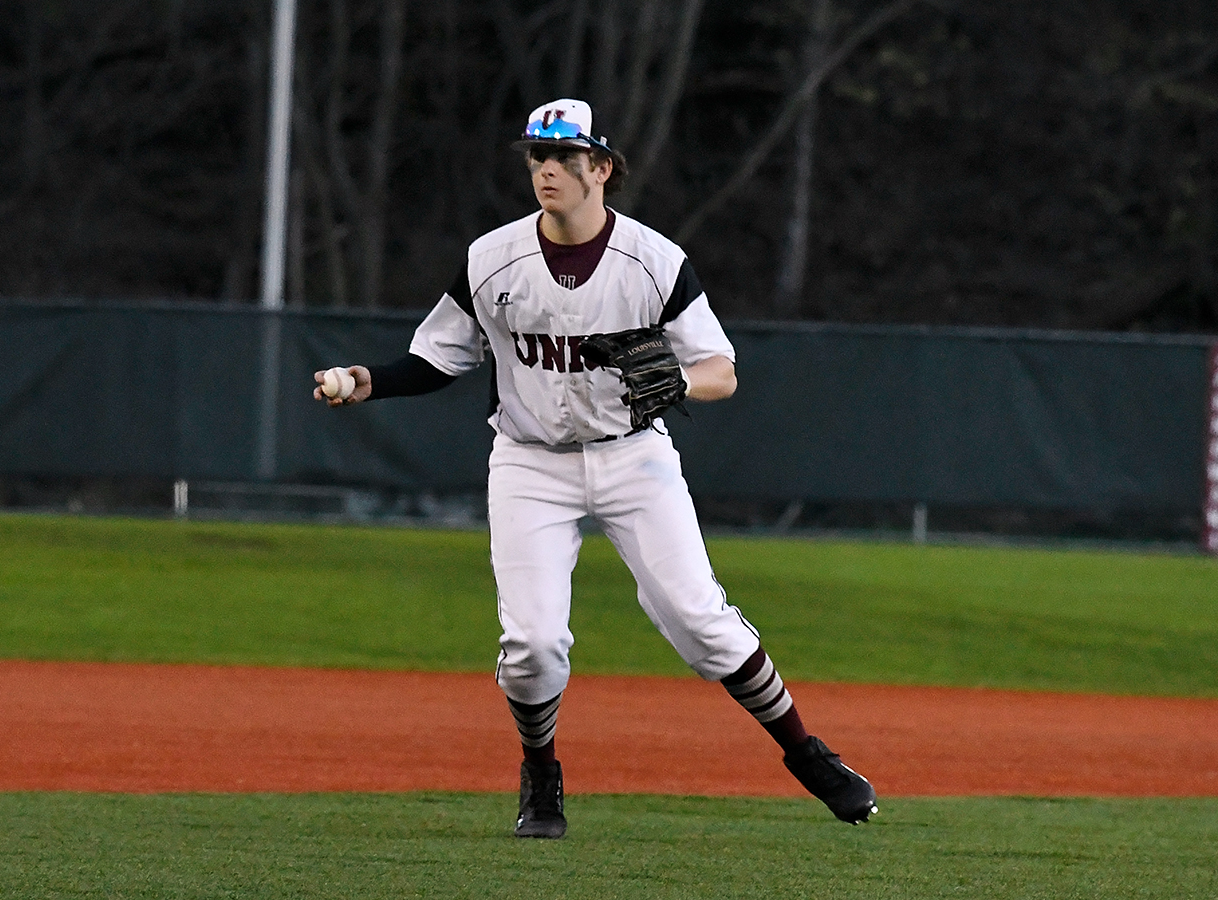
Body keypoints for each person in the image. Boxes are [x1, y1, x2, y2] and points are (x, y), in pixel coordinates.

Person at [312, 99, 877, 838]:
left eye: (566, 157)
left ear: (602, 169)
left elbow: (721, 370)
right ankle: (540, 773)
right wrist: (369, 381)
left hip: (632, 454)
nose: (547, 169)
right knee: (533, 645)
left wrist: (680, 383)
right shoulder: (492, 259)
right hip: (529, 463)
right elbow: (438, 356)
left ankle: (806, 753)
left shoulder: (653, 260)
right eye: (538, 157)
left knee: (699, 620)